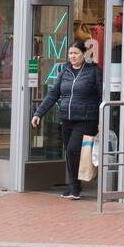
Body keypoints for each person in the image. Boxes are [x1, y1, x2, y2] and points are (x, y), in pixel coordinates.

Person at [31, 40, 103, 200]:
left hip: (86, 119)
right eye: (70, 53)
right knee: (70, 154)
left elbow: (101, 96)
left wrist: (102, 119)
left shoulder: (93, 71)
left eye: (76, 53)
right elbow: (53, 94)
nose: (72, 56)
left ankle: (75, 187)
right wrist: (38, 113)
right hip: (67, 119)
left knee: (72, 150)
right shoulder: (65, 71)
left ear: (84, 54)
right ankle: (74, 187)